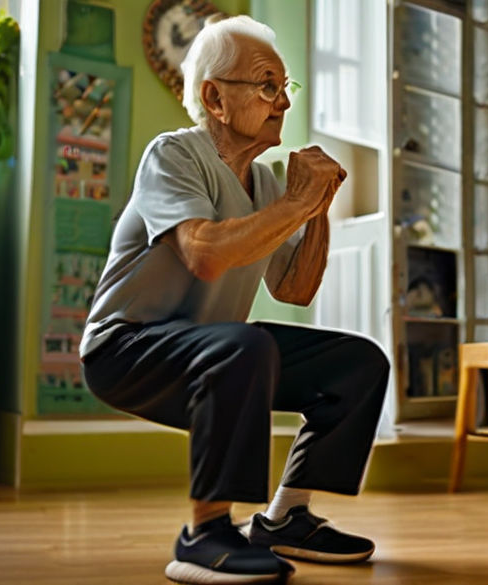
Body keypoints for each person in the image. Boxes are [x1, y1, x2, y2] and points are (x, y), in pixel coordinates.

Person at [80, 15, 390, 585]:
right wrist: (298, 204)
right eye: (267, 86)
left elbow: (293, 290)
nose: (282, 103)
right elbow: (205, 254)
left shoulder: (266, 185)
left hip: (219, 351)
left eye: (284, 88)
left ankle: (285, 518)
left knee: (358, 364)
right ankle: (204, 536)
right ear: (214, 98)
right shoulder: (173, 155)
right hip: (123, 349)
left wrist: (316, 208)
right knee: (241, 346)